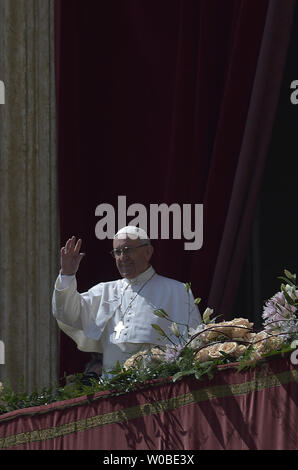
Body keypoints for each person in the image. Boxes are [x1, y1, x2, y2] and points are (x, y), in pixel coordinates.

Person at [52, 226, 201, 373]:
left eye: (128, 250)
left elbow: (194, 344)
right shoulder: (104, 291)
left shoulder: (177, 290)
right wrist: (67, 275)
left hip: (157, 385)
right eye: (117, 252)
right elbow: (67, 313)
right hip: (112, 386)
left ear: (148, 252)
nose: (122, 257)